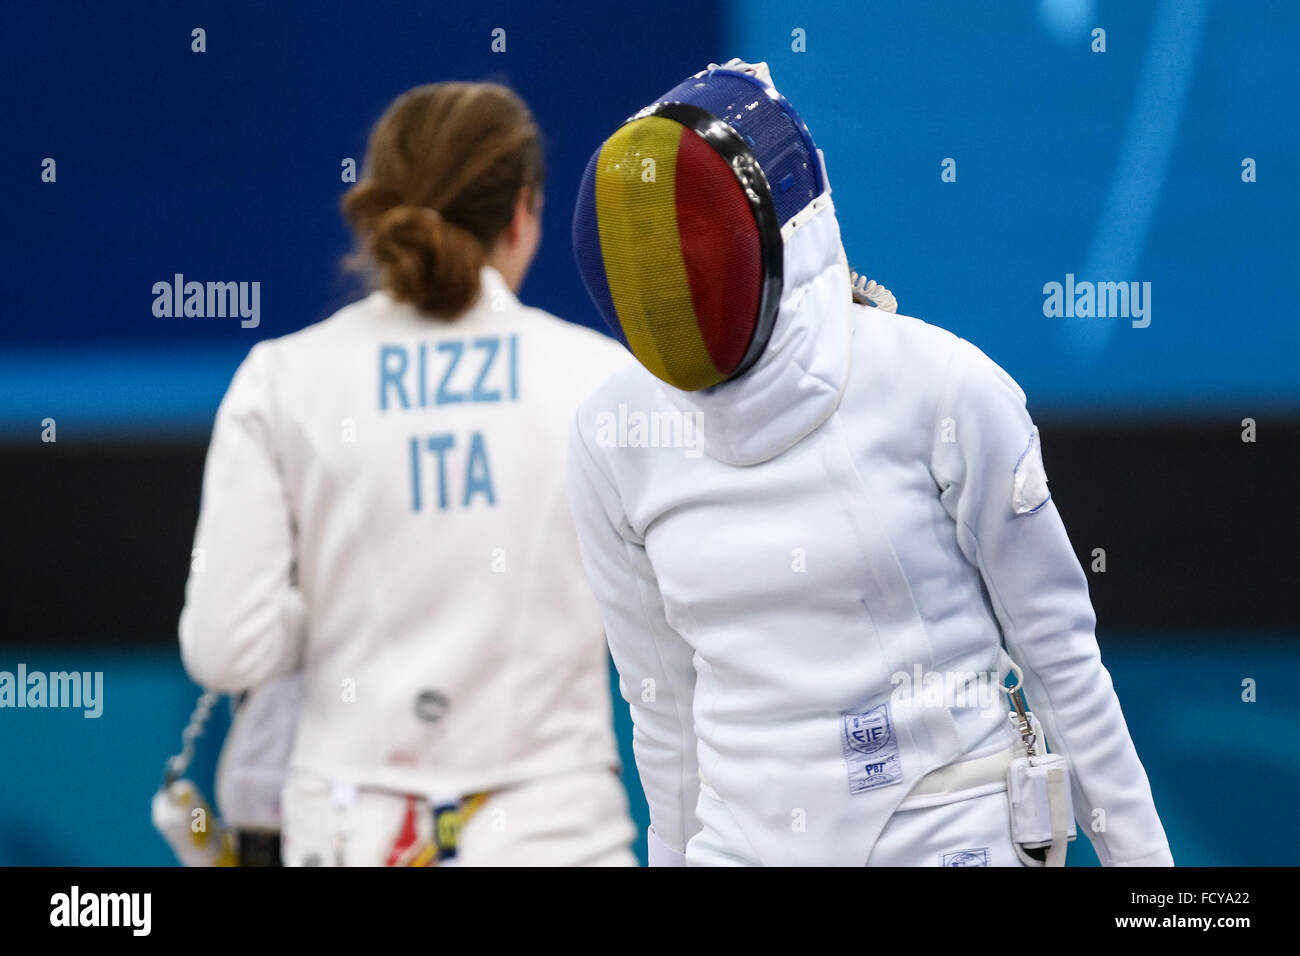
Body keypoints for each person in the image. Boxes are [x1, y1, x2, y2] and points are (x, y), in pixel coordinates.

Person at [566, 59, 1173, 866]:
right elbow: (665, 717)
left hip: (948, 832)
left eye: (701, 236)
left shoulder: (938, 386)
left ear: (783, 229)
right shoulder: (616, 436)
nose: (671, 278)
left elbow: (1059, 658)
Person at [179, 81, 635, 866]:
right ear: (523, 215)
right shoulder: (603, 382)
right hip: (560, 837)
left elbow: (226, 649)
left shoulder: (282, 378)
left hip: (347, 833)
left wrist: (322, 611)